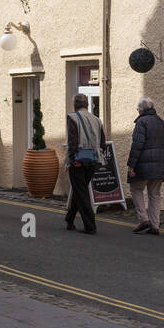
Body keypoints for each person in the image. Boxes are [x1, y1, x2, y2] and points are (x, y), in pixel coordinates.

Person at [126, 97, 164, 235]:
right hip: (160, 166)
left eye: (137, 109)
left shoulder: (141, 122)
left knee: (136, 189)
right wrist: (161, 159)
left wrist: (131, 166)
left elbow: (137, 145)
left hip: (143, 165)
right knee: (154, 194)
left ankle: (144, 219)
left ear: (141, 110)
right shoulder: (162, 123)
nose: (137, 111)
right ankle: (155, 225)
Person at [65, 94, 106, 234]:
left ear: (75, 105)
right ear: (87, 104)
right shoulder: (97, 120)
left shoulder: (73, 118)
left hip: (78, 160)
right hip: (93, 160)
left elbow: (72, 141)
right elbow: (103, 143)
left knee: (81, 193)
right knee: (80, 190)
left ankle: (90, 226)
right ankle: (69, 220)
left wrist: (72, 159)